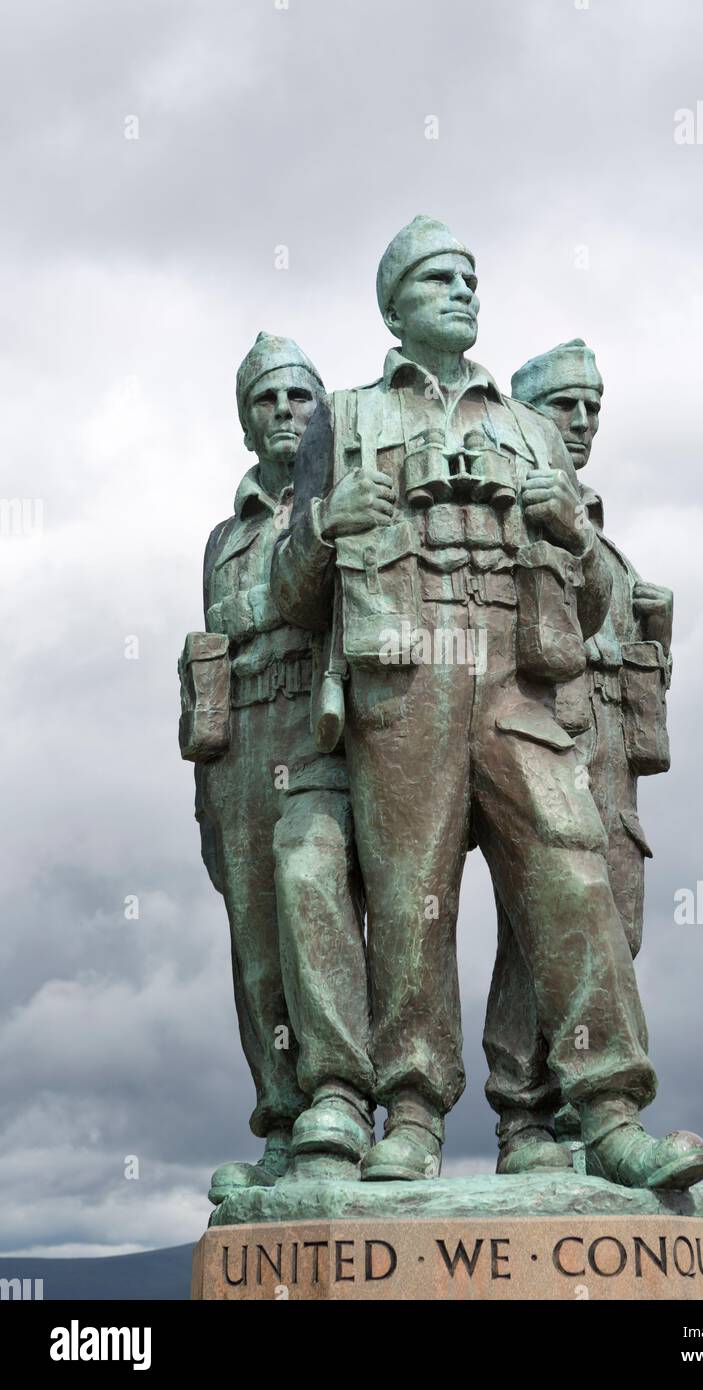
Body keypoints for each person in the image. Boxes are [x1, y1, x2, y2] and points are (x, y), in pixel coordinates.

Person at [272, 217, 703, 1191]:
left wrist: (575, 534)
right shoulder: (339, 420)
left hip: (518, 678)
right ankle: (414, 1111)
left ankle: (606, 1111)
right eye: (436, 279)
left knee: (571, 873)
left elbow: (597, 597)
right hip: (403, 681)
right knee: (408, 899)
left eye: (469, 277)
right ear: (393, 305)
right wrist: (320, 532)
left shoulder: (529, 430)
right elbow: (288, 594)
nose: (461, 291)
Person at [181, 333, 373, 1204]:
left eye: (300, 397)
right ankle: (285, 1123)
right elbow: (210, 660)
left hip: (316, 731)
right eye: (268, 400)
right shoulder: (222, 535)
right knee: (256, 947)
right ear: (246, 421)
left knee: (309, 893)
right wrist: (206, 805)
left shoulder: (343, 498)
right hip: (236, 749)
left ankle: (341, 1097)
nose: (287, 413)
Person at [484, 338, 676, 1172]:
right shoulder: (504, 513)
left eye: (595, 405)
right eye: (567, 404)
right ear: (526, 417)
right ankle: (526, 1114)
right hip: (536, 734)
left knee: (613, 926)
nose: (586, 418)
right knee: (542, 925)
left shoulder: (606, 540)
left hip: (611, 759)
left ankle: (571, 1114)